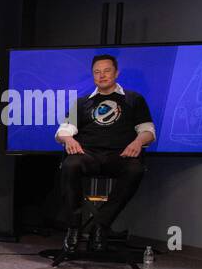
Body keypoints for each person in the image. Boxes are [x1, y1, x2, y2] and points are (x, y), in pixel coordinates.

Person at [54, 54, 155, 252]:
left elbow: (148, 131)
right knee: (70, 165)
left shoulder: (133, 99)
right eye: (97, 72)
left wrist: (137, 142)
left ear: (116, 73)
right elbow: (63, 131)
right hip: (89, 155)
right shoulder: (82, 102)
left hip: (120, 156)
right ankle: (74, 227)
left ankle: (100, 225)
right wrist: (68, 139)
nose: (102, 75)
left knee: (135, 169)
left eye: (107, 71)